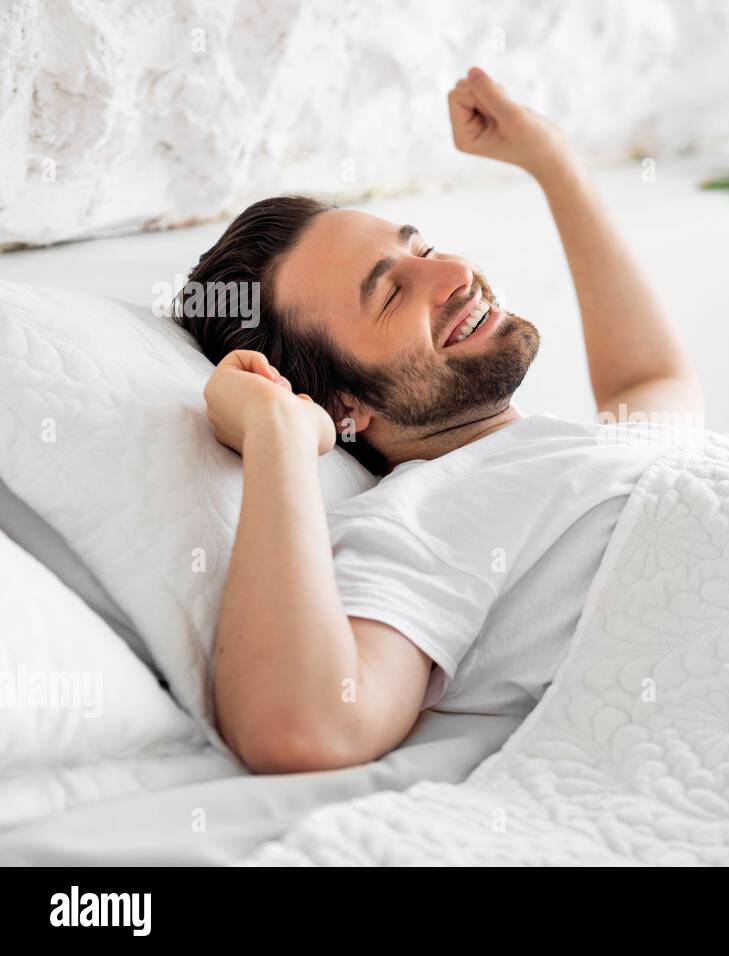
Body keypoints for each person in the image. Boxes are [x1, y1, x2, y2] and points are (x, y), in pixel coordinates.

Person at [180, 67, 702, 773]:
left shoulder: (571, 464)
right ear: (343, 408)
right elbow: (302, 730)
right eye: (392, 295)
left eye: (422, 248)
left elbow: (652, 381)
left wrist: (548, 160)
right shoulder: (424, 518)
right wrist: (278, 436)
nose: (453, 271)